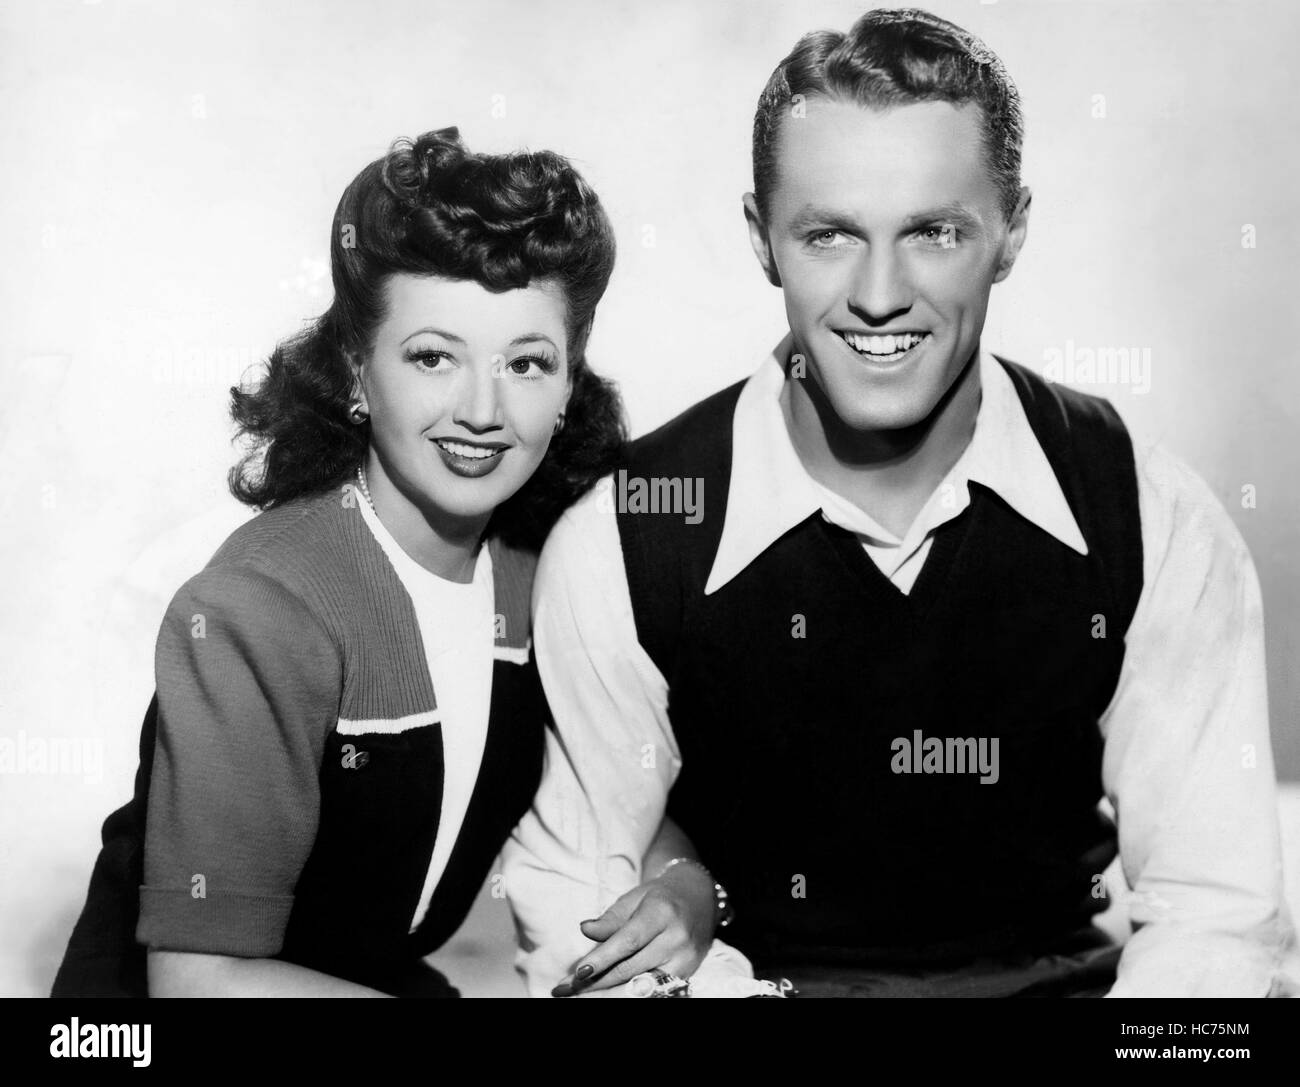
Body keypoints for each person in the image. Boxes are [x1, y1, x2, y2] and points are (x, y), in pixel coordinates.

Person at [502, 8, 1298, 997]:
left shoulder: (1150, 513)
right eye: (830, 234)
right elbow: (577, 917)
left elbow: (1218, 922)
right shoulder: (623, 541)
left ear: (1009, 233)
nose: (880, 293)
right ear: (762, 239)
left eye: (932, 231)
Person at [51, 127, 719, 997]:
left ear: (568, 386)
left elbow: (607, 781)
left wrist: (689, 884)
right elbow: (196, 978)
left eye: (526, 362)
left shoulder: (546, 566)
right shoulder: (262, 607)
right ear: (357, 370)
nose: (482, 409)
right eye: (434, 356)